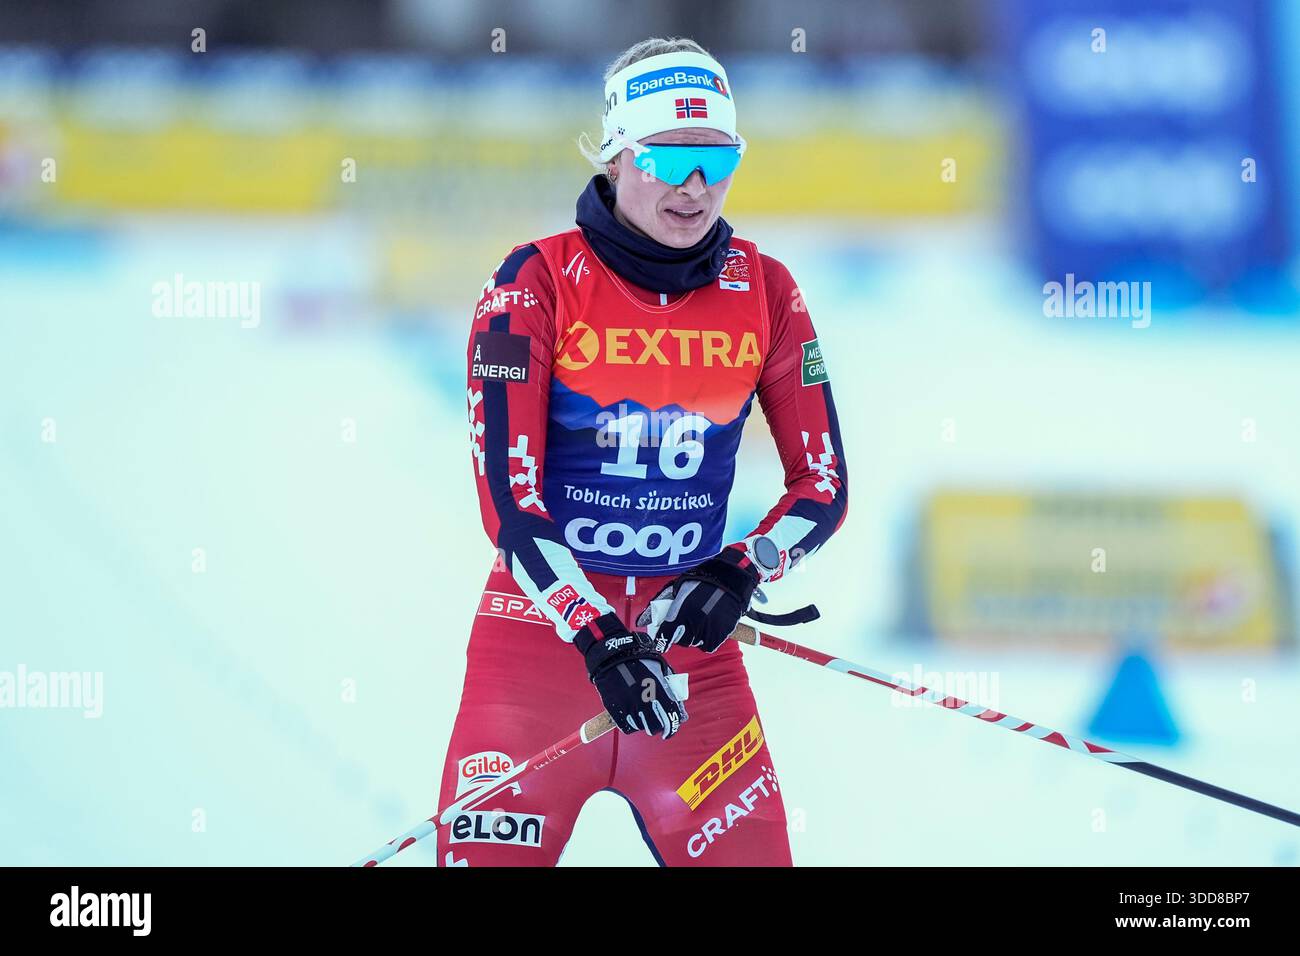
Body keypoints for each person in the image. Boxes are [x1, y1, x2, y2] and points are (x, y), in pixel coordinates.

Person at [442, 36, 848, 866]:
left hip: (687, 666)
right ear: (620, 153)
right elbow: (509, 505)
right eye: (669, 158)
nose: (696, 187)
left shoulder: (765, 289)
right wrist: (595, 634)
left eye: (719, 160)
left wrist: (741, 569)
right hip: (540, 654)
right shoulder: (533, 283)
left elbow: (823, 484)